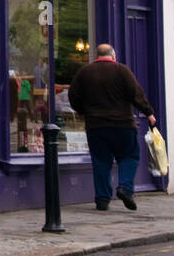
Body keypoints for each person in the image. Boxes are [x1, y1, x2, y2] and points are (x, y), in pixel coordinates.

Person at [67, 43, 157, 211]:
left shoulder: (84, 73)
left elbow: (73, 97)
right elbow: (136, 94)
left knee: (100, 161)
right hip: (122, 125)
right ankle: (125, 188)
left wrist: (84, 111)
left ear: (96, 56)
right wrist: (149, 113)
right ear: (113, 56)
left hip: (95, 126)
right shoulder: (122, 71)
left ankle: (102, 199)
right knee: (130, 156)